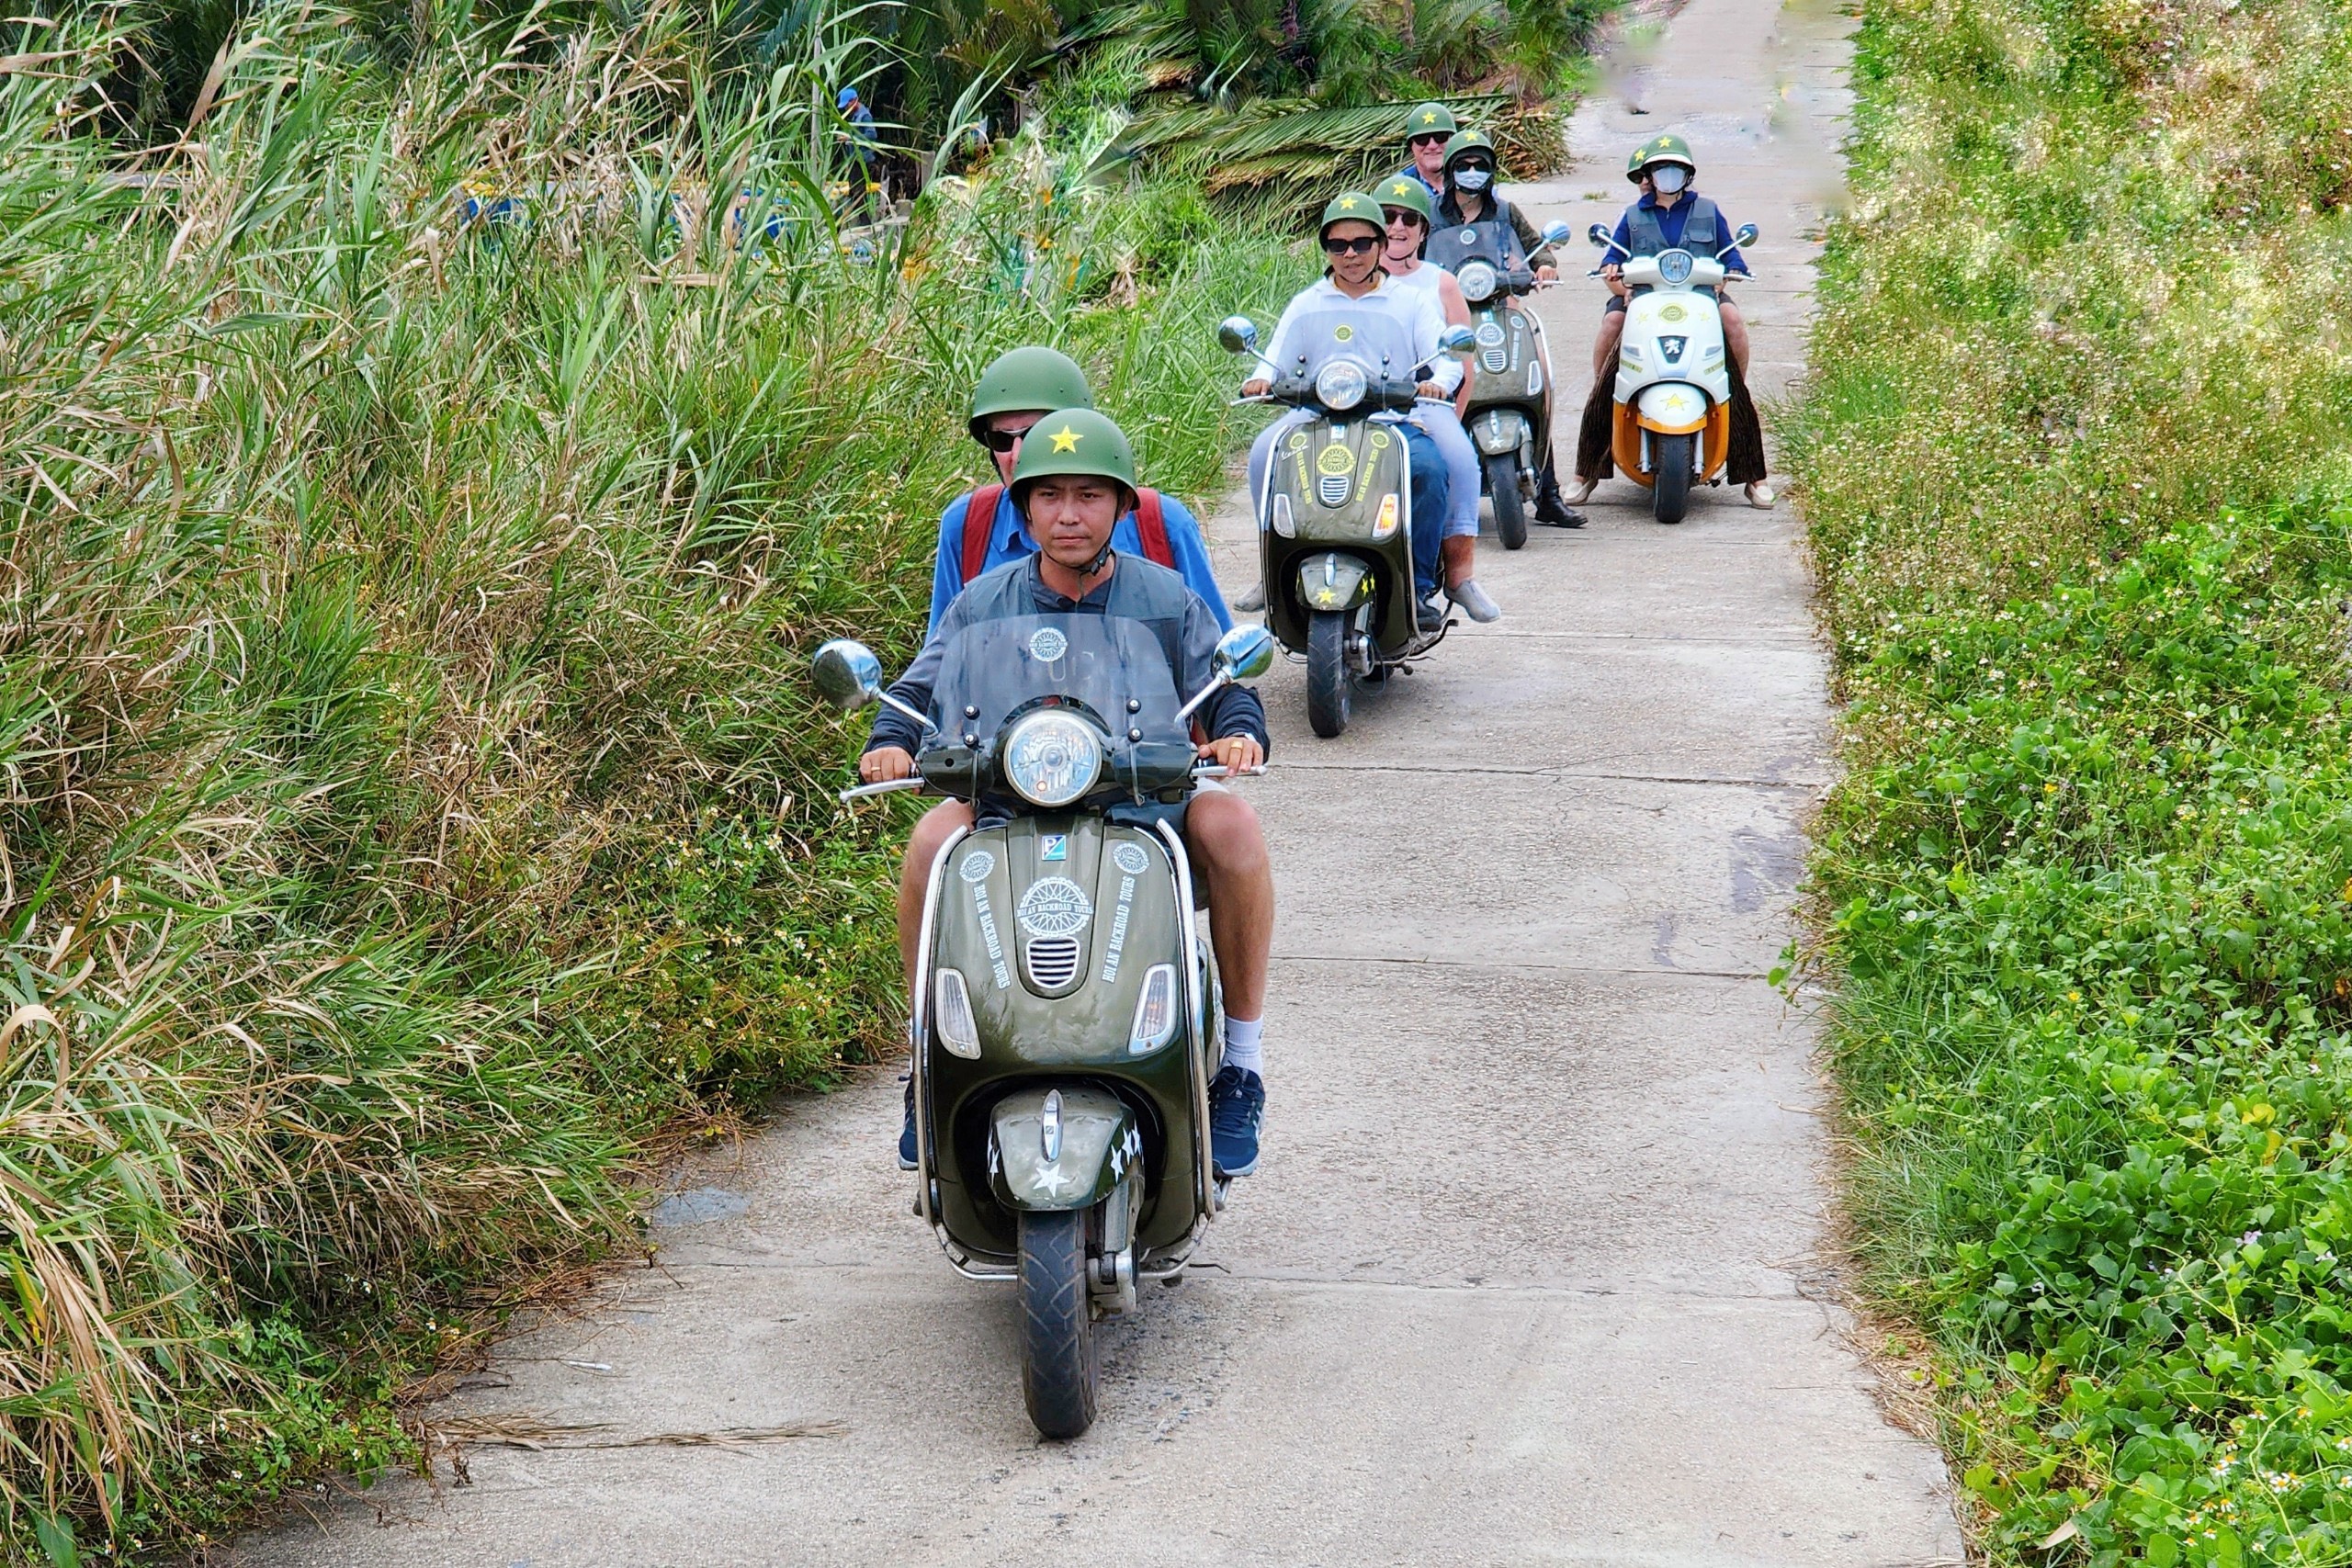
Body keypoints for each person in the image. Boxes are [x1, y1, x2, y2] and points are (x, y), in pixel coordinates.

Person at [862, 410, 1277, 1178]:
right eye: (1048, 496)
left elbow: (1218, 683)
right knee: (928, 840)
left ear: (1122, 506)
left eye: (1090, 494)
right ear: (1024, 509)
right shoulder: (984, 601)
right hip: (1010, 804)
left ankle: (1242, 1066)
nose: (1069, 514)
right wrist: (890, 739)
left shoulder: (1164, 596)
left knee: (1234, 824)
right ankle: (927, 1058)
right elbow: (920, 685)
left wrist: (1237, 729)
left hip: (1141, 808)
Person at [1240, 193, 1462, 631]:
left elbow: (1447, 358)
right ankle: (1273, 575)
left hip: (1389, 421)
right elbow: (1273, 358)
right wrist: (1260, 379)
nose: (1350, 254)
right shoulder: (1308, 303)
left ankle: (1416, 587)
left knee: (1429, 471)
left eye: (1362, 243)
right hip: (1314, 419)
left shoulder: (1409, 302)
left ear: (1381, 246)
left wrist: (1437, 381)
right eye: (1338, 245)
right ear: (1325, 249)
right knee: (1265, 454)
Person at [933, 345, 1229, 636]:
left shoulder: (1161, 523)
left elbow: (1215, 655)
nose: (1018, 454)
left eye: (1036, 435)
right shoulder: (968, 524)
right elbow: (944, 655)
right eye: (1001, 439)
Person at [1568, 132, 1772, 509]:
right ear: (1649, 175)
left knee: (1731, 318)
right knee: (1613, 330)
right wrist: (1620, 287)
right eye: (1661, 170)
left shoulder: (1708, 211)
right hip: (1643, 303)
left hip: (1698, 302)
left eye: (1675, 169)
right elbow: (1609, 267)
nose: (1667, 176)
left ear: (1688, 174)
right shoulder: (1632, 216)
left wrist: (1723, 279)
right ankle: (1586, 472)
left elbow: (1733, 262)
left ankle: (1753, 477)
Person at [1430, 132, 1583, 526]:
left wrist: (1544, 265)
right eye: (1463, 166)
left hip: (1499, 308)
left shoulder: (1504, 211)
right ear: (1449, 172)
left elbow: (1537, 247)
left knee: (1539, 381)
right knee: (1436, 391)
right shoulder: (1429, 215)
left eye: (1480, 165)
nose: (1472, 173)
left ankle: (1548, 493)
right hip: (1445, 316)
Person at [1373, 175, 1505, 612]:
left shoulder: (1440, 283)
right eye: (1388, 218)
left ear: (1423, 230)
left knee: (1461, 462)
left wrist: (1449, 415)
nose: (1398, 227)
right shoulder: (1349, 275)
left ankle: (1459, 574)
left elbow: (1462, 361)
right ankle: (1275, 566)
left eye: (1408, 219)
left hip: (1424, 402)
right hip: (1355, 401)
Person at [1396, 101, 1456, 204]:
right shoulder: (1396, 189)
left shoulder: (1470, 181)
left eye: (1440, 136)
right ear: (1411, 146)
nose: (1432, 146)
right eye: (1422, 139)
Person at [837, 85, 881, 220]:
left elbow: (872, 134)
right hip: (854, 159)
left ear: (855, 100)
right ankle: (862, 221)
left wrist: (851, 138)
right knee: (854, 191)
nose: (845, 108)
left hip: (862, 160)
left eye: (847, 105)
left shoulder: (864, 116)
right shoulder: (855, 116)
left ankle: (865, 223)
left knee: (858, 192)